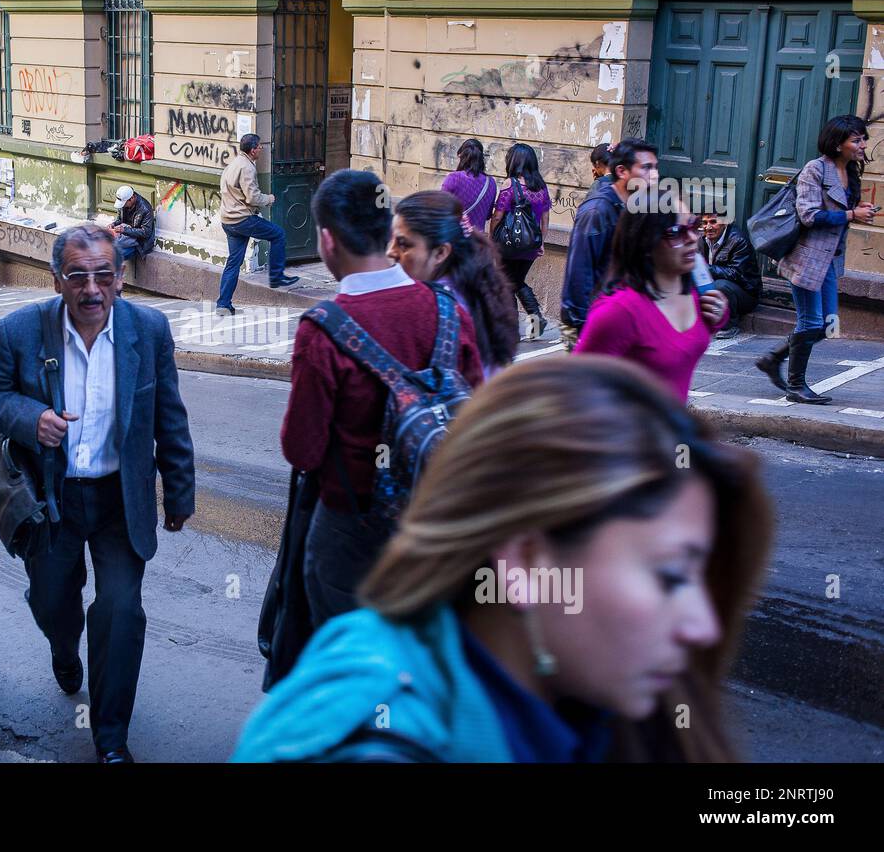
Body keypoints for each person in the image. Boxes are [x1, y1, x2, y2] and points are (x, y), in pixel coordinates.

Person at [232, 355, 773, 762]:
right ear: (527, 562)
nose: (703, 626)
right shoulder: (376, 741)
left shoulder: (606, 696)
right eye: (671, 575)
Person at [0, 224, 195, 763]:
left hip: (122, 499)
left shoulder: (149, 330)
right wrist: (33, 419)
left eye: (104, 275)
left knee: (122, 611)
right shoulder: (20, 330)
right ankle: (62, 647)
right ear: (58, 281)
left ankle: (111, 739)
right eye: (78, 276)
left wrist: (180, 493)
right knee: (54, 601)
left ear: (120, 278)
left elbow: (168, 413)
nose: (92, 289)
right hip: (52, 499)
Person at [282, 170, 480, 630]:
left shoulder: (322, 330)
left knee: (351, 668)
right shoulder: (449, 311)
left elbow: (302, 450)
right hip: (435, 530)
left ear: (327, 242)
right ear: (387, 230)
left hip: (352, 535)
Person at [756, 116, 877, 404]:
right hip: (807, 258)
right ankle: (796, 386)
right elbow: (809, 215)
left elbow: (837, 206)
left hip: (830, 261)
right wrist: (852, 214)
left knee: (825, 324)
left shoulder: (849, 170)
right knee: (811, 321)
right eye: (856, 139)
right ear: (838, 144)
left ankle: (773, 359)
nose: (863, 144)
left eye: (863, 138)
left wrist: (858, 206)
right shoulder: (815, 169)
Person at [574, 203, 729, 402]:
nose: (692, 238)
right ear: (646, 242)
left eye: (693, 226)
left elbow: (688, 341)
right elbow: (578, 389)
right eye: (675, 232)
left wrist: (718, 314)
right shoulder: (617, 311)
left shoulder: (693, 287)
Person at [389, 190, 519, 379]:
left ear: (441, 253)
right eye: (391, 240)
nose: (390, 252)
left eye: (403, 244)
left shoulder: (434, 307)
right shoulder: (476, 286)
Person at [561, 138, 658, 351]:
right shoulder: (597, 211)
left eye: (655, 167)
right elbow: (580, 271)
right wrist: (583, 327)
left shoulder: (638, 207)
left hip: (621, 317)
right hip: (592, 321)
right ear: (622, 171)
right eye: (647, 168)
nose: (655, 175)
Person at [216, 133, 297, 316]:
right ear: (253, 150)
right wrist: (269, 199)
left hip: (228, 220)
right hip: (242, 219)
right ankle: (276, 276)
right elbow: (252, 197)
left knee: (233, 263)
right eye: (260, 146)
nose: (261, 149)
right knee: (278, 234)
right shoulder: (247, 167)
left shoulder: (234, 163)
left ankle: (223, 304)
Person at [490, 143, 551, 339]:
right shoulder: (541, 187)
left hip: (509, 244)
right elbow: (545, 217)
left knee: (509, 283)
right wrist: (541, 241)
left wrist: (492, 240)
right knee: (515, 281)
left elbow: (498, 215)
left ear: (513, 161)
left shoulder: (510, 184)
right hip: (531, 244)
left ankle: (517, 328)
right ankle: (535, 322)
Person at [699, 213, 760, 339]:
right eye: (705, 223)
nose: (708, 227)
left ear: (725, 222)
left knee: (720, 286)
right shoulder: (702, 239)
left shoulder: (738, 240)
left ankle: (729, 325)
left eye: (713, 222)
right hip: (717, 288)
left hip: (746, 293)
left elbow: (736, 273)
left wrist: (707, 269)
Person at [440, 137, 497, 231]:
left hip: (455, 237)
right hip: (478, 241)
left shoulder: (453, 178)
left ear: (460, 156)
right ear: (481, 158)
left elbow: (441, 209)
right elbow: (487, 216)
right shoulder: (490, 182)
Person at [109, 185, 155, 262]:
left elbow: (146, 232)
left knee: (113, 256)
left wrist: (124, 230)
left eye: (124, 203)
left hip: (139, 243)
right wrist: (114, 224)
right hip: (125, 236)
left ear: (132, 198)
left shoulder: (145, 209)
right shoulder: (124, 203)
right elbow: (120, 219)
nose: (123, 206)